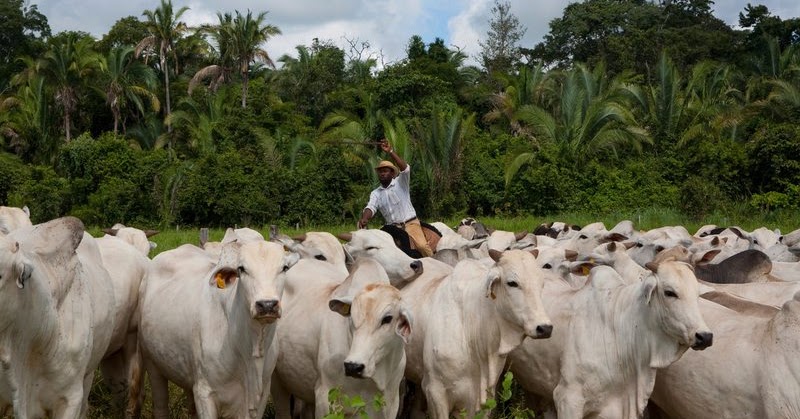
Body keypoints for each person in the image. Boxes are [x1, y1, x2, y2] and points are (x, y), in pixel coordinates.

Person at [357, 139, 433, 257]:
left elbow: (405, 169)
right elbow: (371, 207)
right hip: (392, 227)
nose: (382, 173)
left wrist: (390, 151)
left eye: (386, 171)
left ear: (392, 173)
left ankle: (434, 263)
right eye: (380, 171)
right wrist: (365, 218)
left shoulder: (400, 183)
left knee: (422, 246)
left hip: (410, 224)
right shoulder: (376, 193)